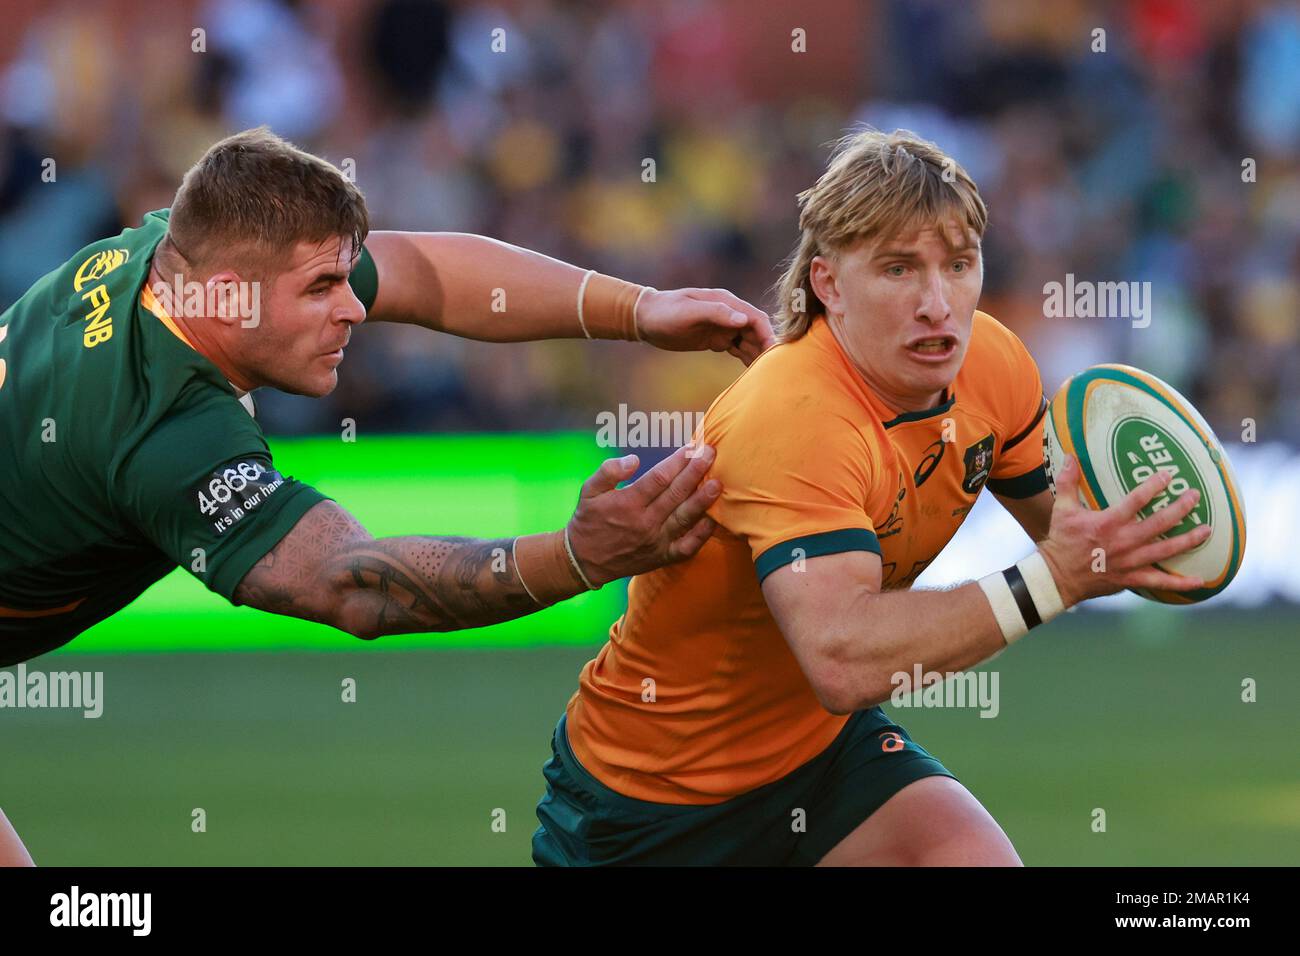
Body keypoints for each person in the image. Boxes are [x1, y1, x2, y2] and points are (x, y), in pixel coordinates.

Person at [532, 129, 1210, 866]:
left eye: (959, 265)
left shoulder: (994, 364)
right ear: (828, 284)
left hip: (824, 762)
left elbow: (1082, 539)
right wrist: (1056, 579)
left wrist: (1137, 537)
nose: (937, 303)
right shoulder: (795, 416)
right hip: (649, 801)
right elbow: (843, 662)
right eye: (898, 269)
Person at [0, 126, 773, 666]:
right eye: (324, 288)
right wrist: (581, 555)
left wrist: (640, 309)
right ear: (231, 296)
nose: (358, 307)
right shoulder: (165, 433)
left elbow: (420, 273)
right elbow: (354, 587)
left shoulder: (180, 257)